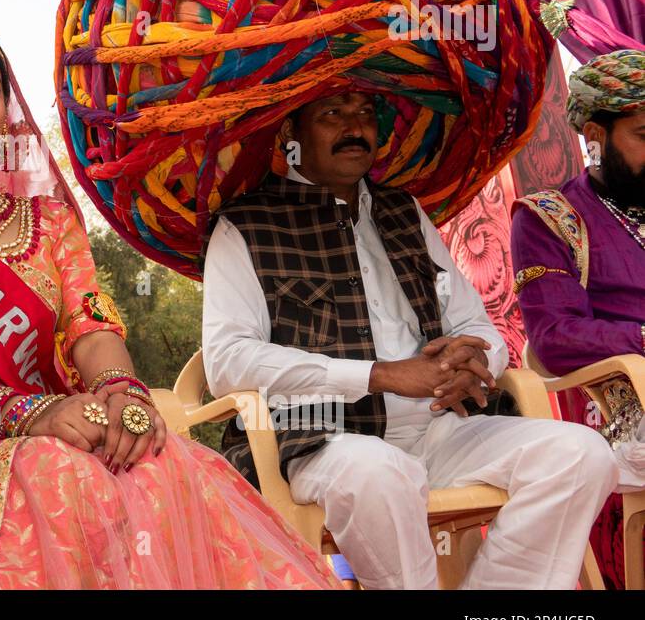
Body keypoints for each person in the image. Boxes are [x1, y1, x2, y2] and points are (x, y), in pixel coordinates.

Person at [0, 20, 336, 589]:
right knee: (56, 474)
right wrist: (27, 416)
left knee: (156, 458)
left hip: (67, 419)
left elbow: (89, 321)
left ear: (7, 108)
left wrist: (123, 393)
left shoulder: (46, 220)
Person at [202, 88, 617, 589]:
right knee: (378, 473)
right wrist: (380, 376)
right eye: (332, 113)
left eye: (364, 113)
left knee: (582, 454)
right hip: (324, 437)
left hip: (439, 427)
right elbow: (227, 360)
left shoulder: (402, 211)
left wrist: (473, 355)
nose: (355, 128)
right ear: (290, 131)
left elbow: (474, 322)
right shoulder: (245, 224)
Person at [511, 49, 645, 588]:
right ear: (595, 132)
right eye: (643, 133)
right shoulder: (549, 218)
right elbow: (555, 337)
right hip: (621, 410)